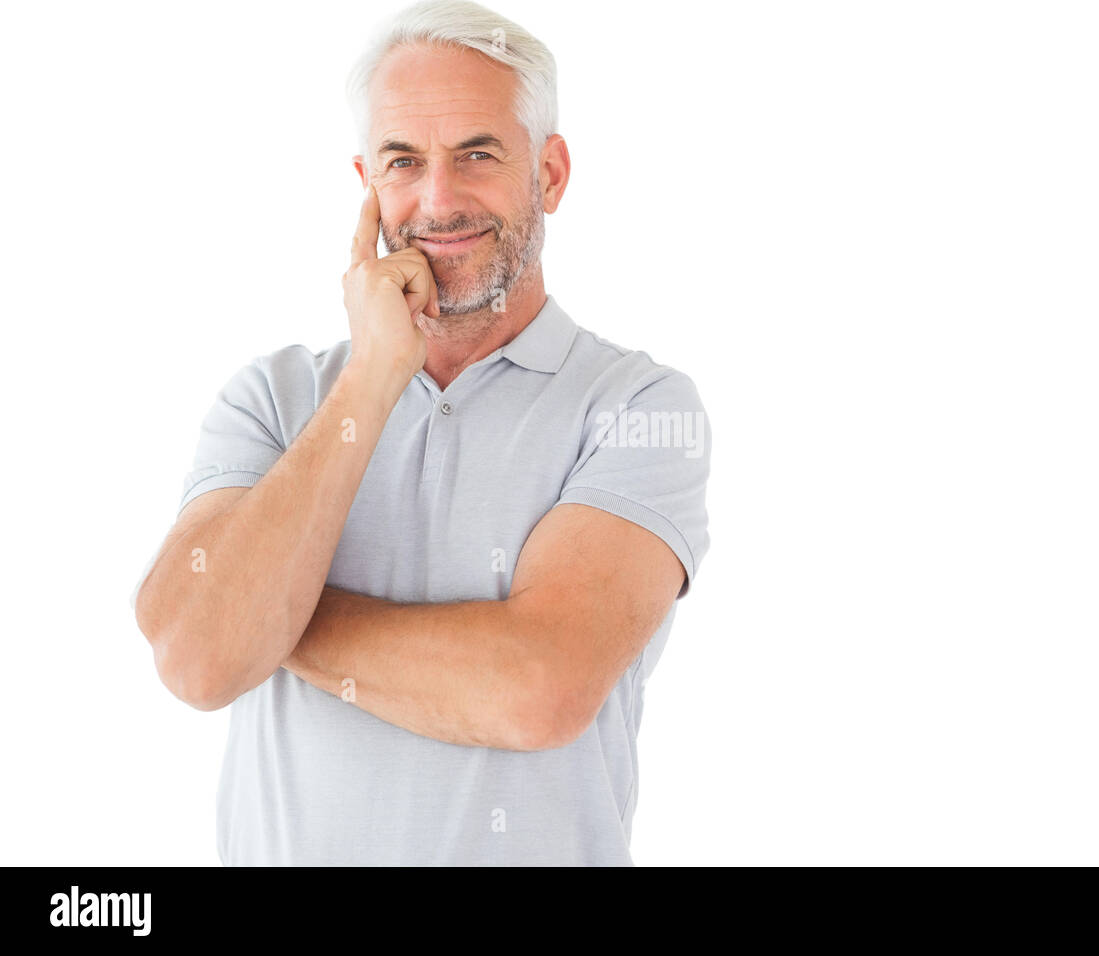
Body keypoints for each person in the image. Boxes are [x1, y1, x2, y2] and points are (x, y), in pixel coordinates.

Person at [130, 0, 710, 866]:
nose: (437, 201)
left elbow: (537, 689)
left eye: (478, 154)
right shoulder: (275, 398)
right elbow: (198, 662)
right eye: (405, 162)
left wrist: (272, 623)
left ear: (549, 174)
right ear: (367, 183)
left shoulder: (638, 407)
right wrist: (373, 376)